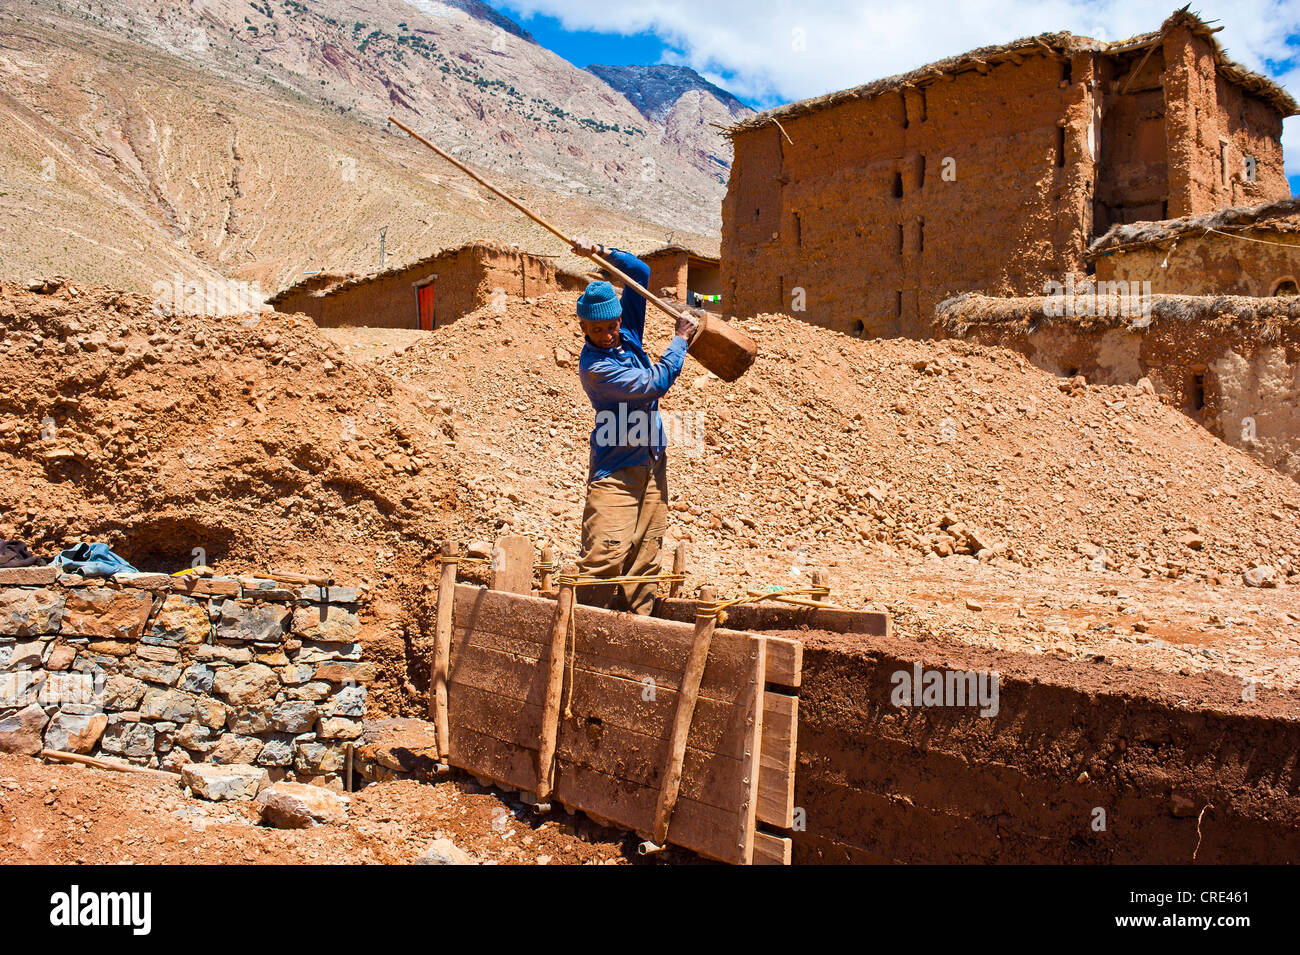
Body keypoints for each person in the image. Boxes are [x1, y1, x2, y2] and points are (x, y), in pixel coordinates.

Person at [570, 238, 697, 614]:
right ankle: (582, 631)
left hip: (652, 461)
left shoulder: (627, 334)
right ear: (583, 328)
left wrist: (602, 252)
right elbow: (656, 383)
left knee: (645, 559)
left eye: (611, 326)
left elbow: (639, 274)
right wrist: (680, 341)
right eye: (596, 330)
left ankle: (638, 631)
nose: (607, 335)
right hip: (616, 469)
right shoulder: (595, 368)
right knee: (603, 559)